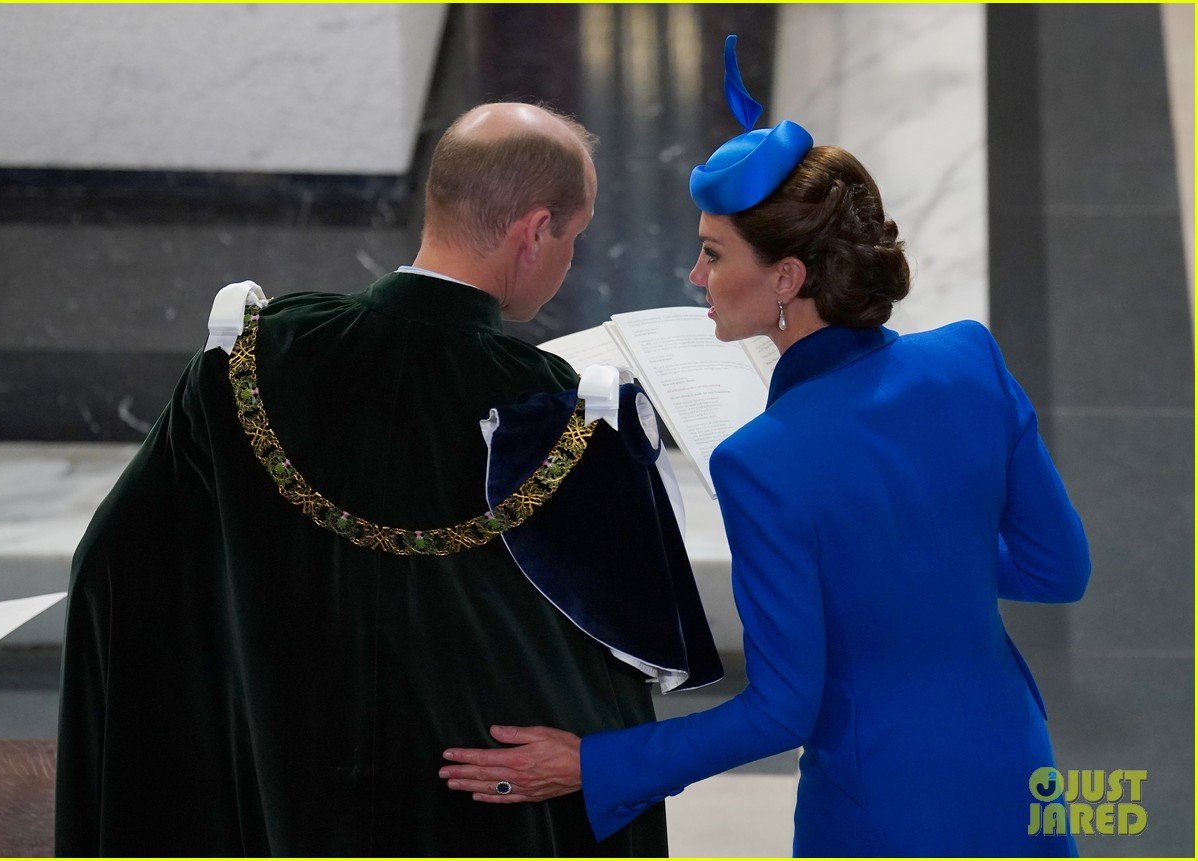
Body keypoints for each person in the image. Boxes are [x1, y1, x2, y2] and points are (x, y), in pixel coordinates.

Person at [439, 38, 1091, 857]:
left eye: (713, 254)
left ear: (786, 277)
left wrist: (594, 763)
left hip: (879, 813)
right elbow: (1058, 569)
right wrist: (919, 546)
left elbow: (783, 707)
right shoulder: (970, 357)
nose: (694, 275)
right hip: (1016, 770)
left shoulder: (762, 463)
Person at [54, 102, 721, 857]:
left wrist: (227, 703)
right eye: (575, 236)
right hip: (483, 804)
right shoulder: (563, 413)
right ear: (535, 231)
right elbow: (617, 669)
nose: (571, 257)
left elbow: (114, 566)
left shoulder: (250, 359)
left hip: (283, 786)